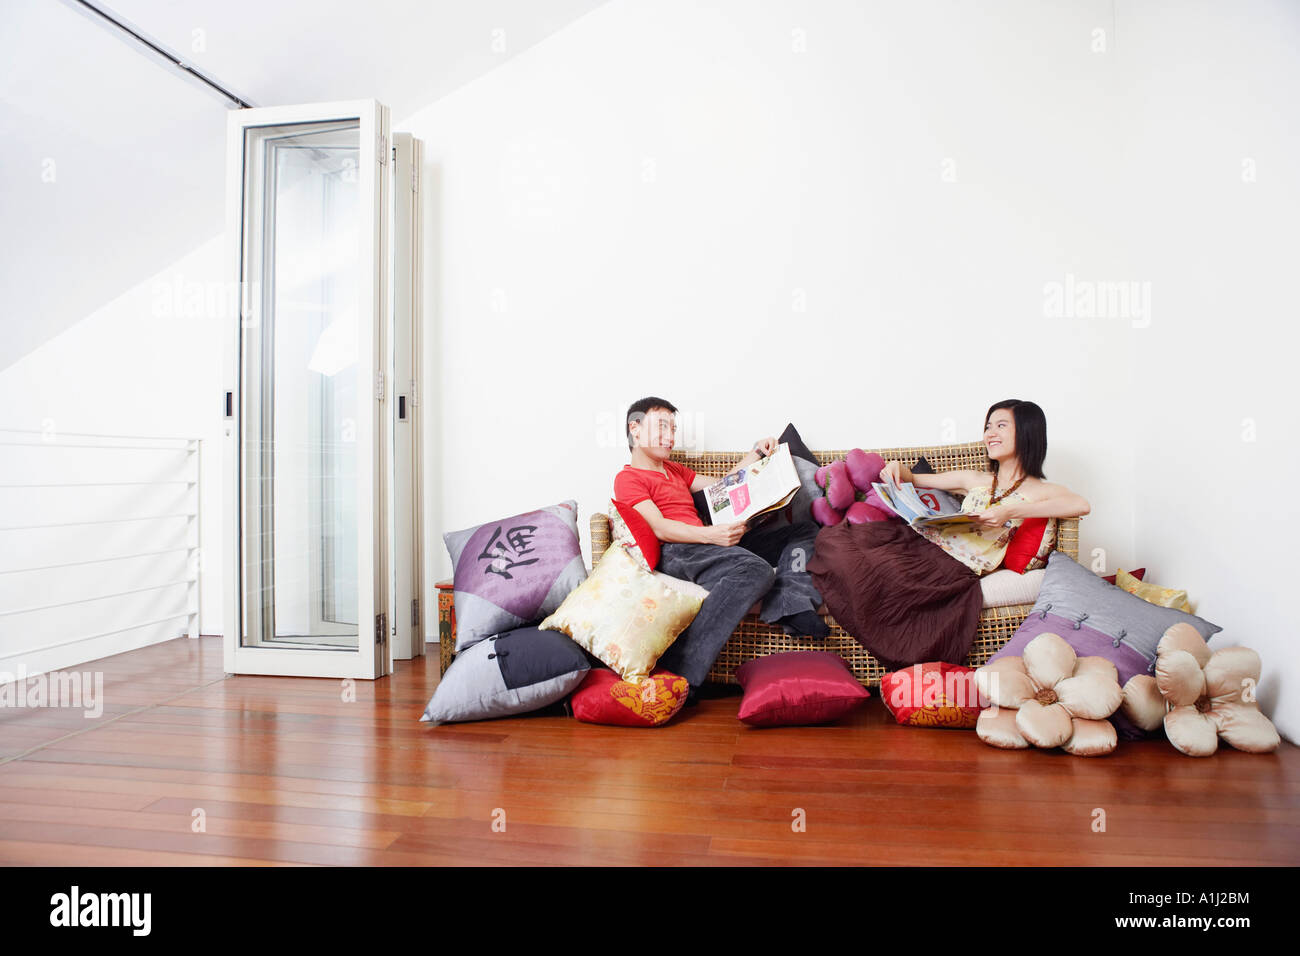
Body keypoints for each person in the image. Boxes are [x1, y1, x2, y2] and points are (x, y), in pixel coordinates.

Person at [806, 399, 1089, 669]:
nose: (990, 433)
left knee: (880, 571)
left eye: (1001, 425)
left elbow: (1080, 505)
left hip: (955, 567)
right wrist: (895, 468)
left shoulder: (1041, 490)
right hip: (924, 545)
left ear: (1027, 432)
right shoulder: (975, 479)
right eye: (988, 426)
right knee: (837, 539)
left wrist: (1010, 511)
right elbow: (913, 478)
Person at [613, 396, 828, 698]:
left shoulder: (674, 470)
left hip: (708, 543)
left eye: (673, 429)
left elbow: (722, 487)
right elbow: (659, 527)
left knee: (805, 530)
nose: (670, 436)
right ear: (635, 429)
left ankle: (790, 602)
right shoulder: (628, 478)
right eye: (662, 427)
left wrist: (756, 453)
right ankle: (681, 668)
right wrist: (711, 535)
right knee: (755, 571)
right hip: (678, 548)